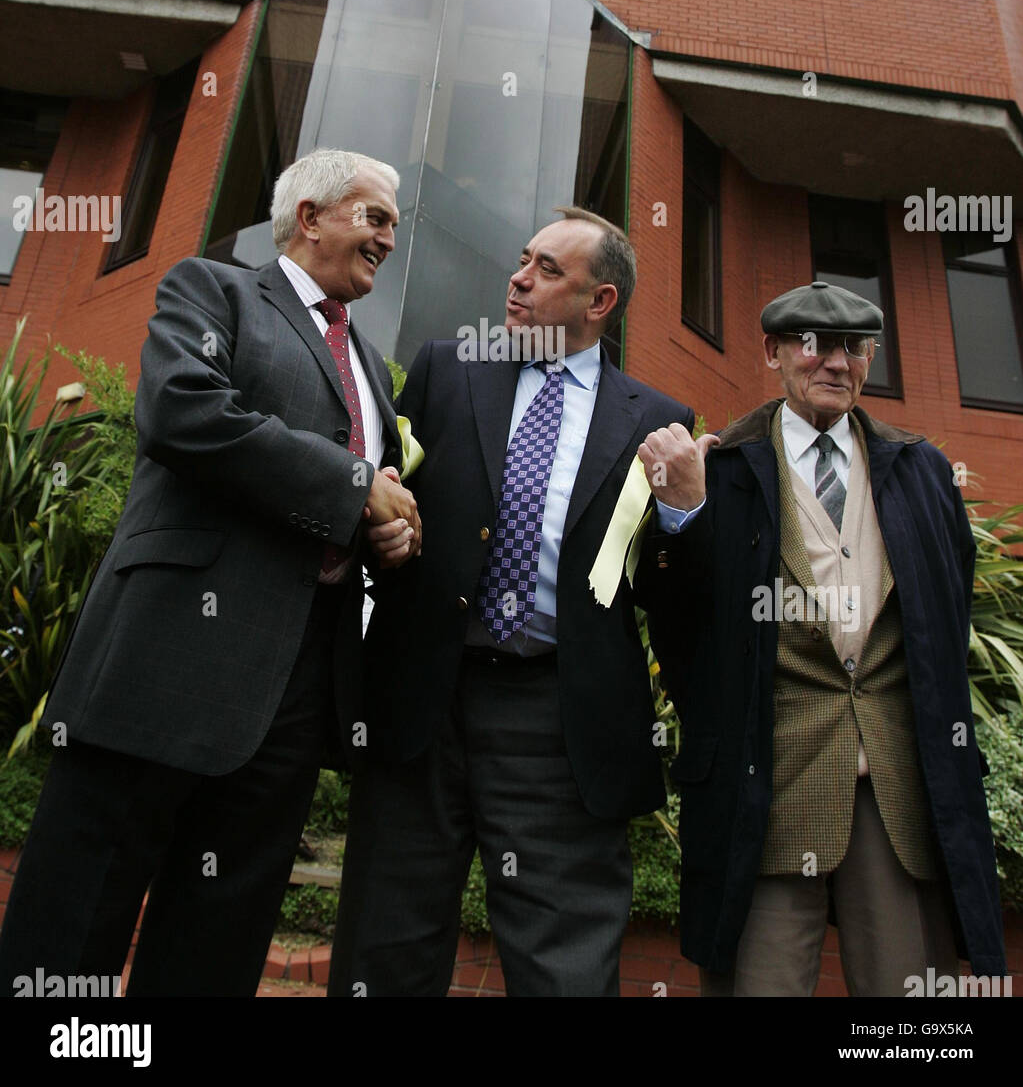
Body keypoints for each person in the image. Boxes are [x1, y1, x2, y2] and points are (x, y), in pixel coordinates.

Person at [0, 147, 420, 997]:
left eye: (393, 224)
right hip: (165, 663)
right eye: (372, 216)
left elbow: (358, 503)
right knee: (73, 931)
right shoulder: (213, 290)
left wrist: (387, 532)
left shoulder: (372, 367)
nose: (387, 236)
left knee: (215, 945)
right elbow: (184, 414)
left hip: (295, 692)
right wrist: (352, 488)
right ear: (309, 216)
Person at [328, 208, 701, 997]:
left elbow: (665, 598)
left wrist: (685, 516)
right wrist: (384, 532)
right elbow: (391, 504)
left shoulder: (659, 423)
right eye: (522, 259)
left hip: (558, 722)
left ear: (599, 302)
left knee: (562, 967)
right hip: (425, 700)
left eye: (547, 270)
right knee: (384, 949)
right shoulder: (442, 369)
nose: (519, 278)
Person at [643, 279, 1006, 995]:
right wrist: (681, 516)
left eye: (851, 346)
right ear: (774, 351)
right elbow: (677, 626)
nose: (834, 362)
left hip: (896, 788)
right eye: (812, 345)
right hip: (767, 786)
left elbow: (946, 611)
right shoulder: (721, 467)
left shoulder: (921, 468)